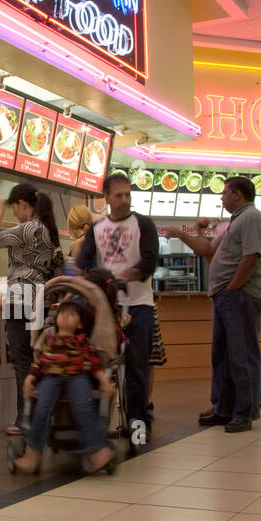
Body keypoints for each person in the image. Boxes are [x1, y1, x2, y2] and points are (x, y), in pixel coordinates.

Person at [167, 176, 261, 432]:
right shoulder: (235, 221)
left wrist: (233, 287)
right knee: (222, 355)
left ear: (238, 194)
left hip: (240, 296)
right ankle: (225, 409)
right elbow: (208, 250)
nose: (221, 197)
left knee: (241, 355)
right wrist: (188, 232)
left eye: (225, 192)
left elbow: (250, 258)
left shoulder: (251, 218)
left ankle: (244, 412)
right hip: (227, 296)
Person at [77, 174, 159, 437]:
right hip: (107, 308)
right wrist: (93, 282)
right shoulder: (96, 229)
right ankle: (95, 425)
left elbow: (148, 263)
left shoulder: (143, 225)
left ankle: (138, 428)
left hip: (139, 304)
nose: (124, 200)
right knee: (98, 364)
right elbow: (83, 263)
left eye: (128, 194)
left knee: (137, 368)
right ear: (107, 198)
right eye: (119, 195)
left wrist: (119, 278)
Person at [0, 183, 62, 435]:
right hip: (38, 297)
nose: (15, 214)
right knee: (35, 359)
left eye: (15, 208)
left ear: (21, 205)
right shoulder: (47, 229)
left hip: (20, 297)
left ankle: (25, 419)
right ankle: (41, 416)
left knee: (22, 361)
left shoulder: (31, 227)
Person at [14, 297, 117, 474]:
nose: (66, 316)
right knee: (42, 409)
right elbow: (39, 363)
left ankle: (97, 450)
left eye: (72, 314)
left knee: (84, 407)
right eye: (63, 312)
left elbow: (93, 363)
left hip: (78, 376)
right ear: (56, 317)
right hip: (50, 377)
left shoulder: (83, 341)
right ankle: (32, 454)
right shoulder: (49, 338)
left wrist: (103, 379)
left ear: (80, 324)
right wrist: (30, 379)